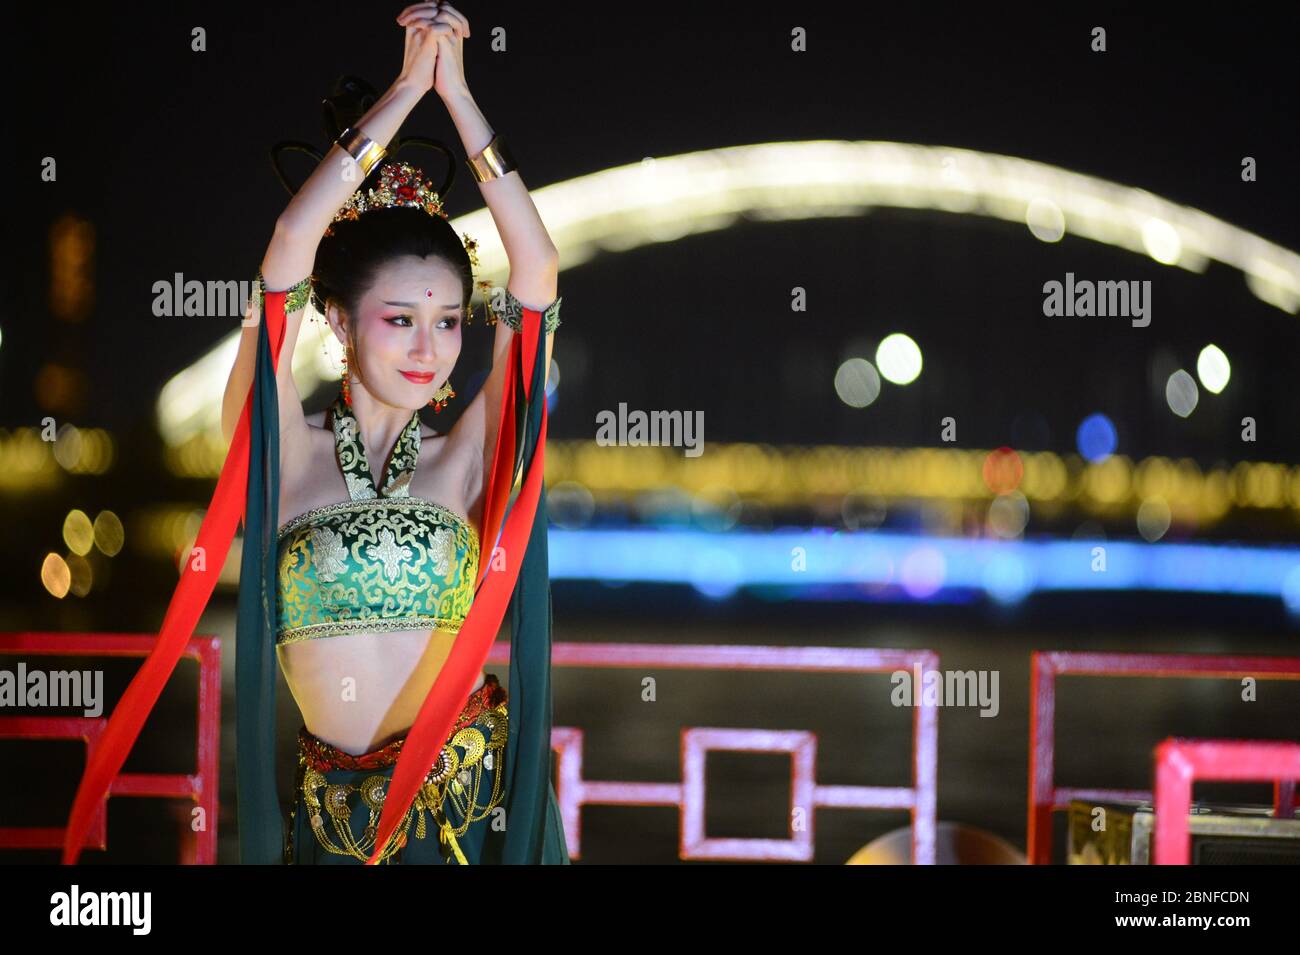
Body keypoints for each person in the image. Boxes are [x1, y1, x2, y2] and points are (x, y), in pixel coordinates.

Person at [62, 1, 569, 865]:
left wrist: (463, 99)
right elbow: (290, 244)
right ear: (336, 319)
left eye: (449, 321)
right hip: (330, 829)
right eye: (400, 318)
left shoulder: (467, 458)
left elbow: (539, 271)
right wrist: (408, 90)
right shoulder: (282, 447)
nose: (429, 347)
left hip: (461, 820)